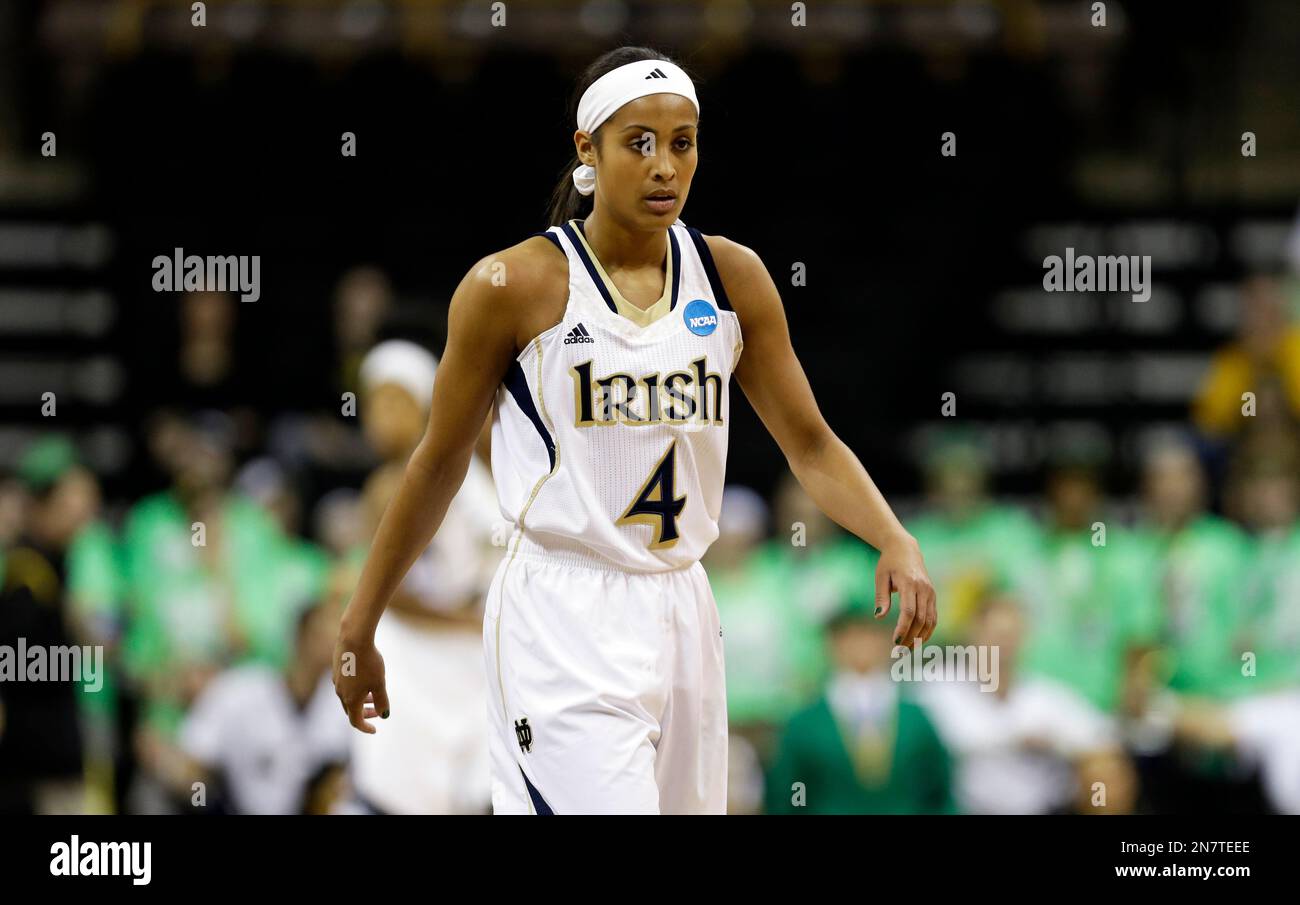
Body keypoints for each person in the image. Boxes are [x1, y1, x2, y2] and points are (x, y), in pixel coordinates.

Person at [332, 45, 937, 815]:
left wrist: (894, 535)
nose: (664, 166)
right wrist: (361, 620)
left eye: (682, 142)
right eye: (639, 142)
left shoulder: (732, 278)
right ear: (587, 149)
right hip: (561, 608)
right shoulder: (513, 285)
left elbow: (810, 442)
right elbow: (436, 464)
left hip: (683, 602)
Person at [765, 595, 954, 815]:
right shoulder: (805, 723)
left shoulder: (916, 719)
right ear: (832, 644)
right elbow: (789, 795)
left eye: (871, 635)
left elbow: (939, 793)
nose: (862, 646)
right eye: (849, 636)